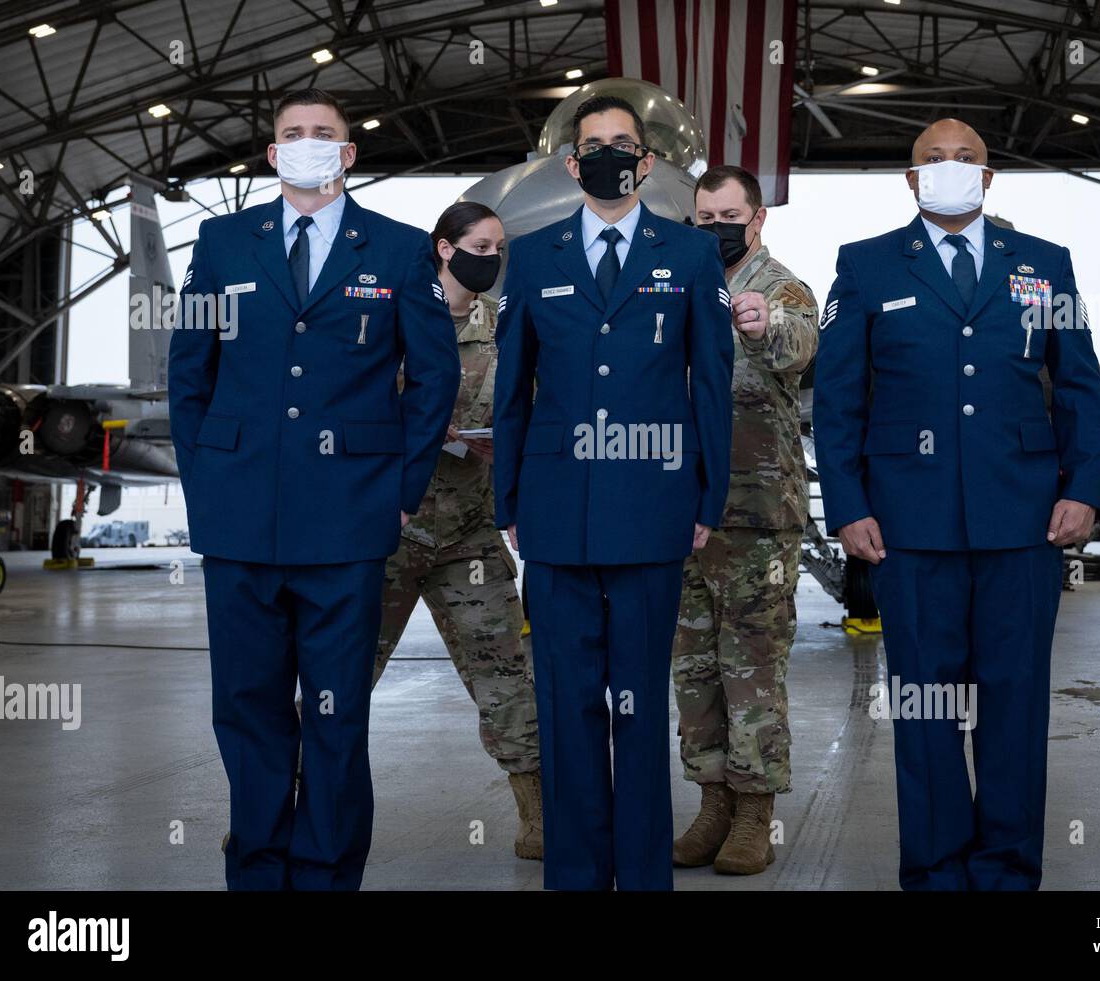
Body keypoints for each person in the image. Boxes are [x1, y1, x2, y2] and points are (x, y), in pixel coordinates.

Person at [169, 87, 459, 890]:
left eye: (322, 134)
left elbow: (435, 379)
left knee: (336, 714)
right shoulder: (223, 242)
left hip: (348, 517)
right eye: (291, 133)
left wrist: (400, 489)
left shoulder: (400, 250)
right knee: (248, 709)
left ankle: (327, 871)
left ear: (348, 154)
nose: (306, 143)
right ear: (271, 154)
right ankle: (257, 872)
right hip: (238, 517)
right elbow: (190, 372)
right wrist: (205, 483)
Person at [813, 118, 1100, 890]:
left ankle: (1008, 870)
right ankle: (938, 871)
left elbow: (1079, 387)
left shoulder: (1046, 267)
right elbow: (839, 399)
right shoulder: (867, 266)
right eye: (933, 161)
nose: (951, 169)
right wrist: (846, 503)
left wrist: (1083, 488)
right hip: (908, 528)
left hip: (1023, 523)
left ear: (990, 176)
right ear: (911, 182)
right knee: (925, 709)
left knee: (1015, 704)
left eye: (967, 159)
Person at [492, 94, 734, 890]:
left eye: (621, 143)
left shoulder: (692, 257)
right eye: (592, 144)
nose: (607, 155)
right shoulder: (531, 257)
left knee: (636, 704)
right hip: (556, 513)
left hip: (653, 509)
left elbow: (711, 386)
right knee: (567, 705)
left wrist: (706, 499)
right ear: (572, 163)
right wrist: (509, 501)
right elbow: (513, 394)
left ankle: (642, 873)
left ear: (647, 160)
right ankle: (575, 872)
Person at [373, 201, 542, 859]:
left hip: (468, 529)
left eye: (499, 245)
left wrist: (506, 445)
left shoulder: (500, 326)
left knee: (505, 670)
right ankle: (282, 806)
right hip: (391, 526)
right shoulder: (393, 319)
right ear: (444, 248)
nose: (493, 256)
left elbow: (525, 402)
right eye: (481, 243)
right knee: (340, 673)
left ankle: (538, 814)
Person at [672, 165, 818, 875]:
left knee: (752, 665)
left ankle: (755, 811)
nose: (718, 228)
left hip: (758, 514)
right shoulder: (676, 284)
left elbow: (797, 347)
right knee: (693, 667)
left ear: (757, 220)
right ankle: (712, 803)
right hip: (683, 512)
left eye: (731, 215)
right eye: (706, 217)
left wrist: (762, 326)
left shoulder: (782, 287)